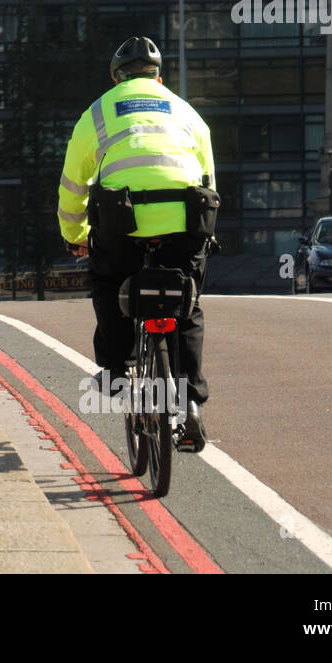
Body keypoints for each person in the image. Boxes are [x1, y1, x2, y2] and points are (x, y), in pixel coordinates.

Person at [56, 36, 217, 451]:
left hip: (121, 224)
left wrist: (75, 237)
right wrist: (205, 234)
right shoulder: (187, 112)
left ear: (116, 79)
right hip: (184, 221)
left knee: (109, 283)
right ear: (159, 78)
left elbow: (73, 186)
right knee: (188, 301)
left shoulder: (98, 112)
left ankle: (114, 371)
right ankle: (190, 405)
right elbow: (208, 182)